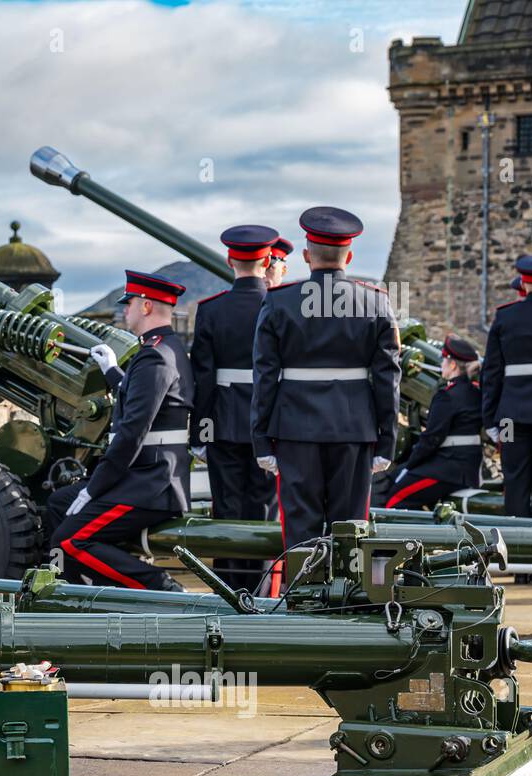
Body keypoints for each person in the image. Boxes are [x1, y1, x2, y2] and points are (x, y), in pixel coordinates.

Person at [251, 207, 400, 550]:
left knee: (300, 531)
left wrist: (261, 440)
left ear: (306, 256)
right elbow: (388, 378)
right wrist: (387, 441)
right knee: (350, 531)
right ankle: (345, 602)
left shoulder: (278, 303)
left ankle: (301, 601)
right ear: (349, 255)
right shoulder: (375, 303)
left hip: (293, 431)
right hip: (355, 431)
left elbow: (265, 377)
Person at [47, 271, 193, 592]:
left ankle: (161, 589)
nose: (123, 311)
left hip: (152, 485)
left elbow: (132, 433)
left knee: (70, 541)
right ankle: (75, 590)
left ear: (145, 306)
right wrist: (113, 372)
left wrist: (94, 487)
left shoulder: (155, 356)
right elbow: (145, 398)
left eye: (129, 305)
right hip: (146, 477)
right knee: (58, 504)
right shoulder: (162, 348)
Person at [189, 225, 279, 590]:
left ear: (230, 260)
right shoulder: (279, 304)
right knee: (263, 513)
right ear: (268, 260)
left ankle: (227, 591)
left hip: (224, 423)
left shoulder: (211, 310)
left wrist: (200, 433)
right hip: (269, 426)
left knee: (226, 510)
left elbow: (204, 379)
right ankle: (260, 593)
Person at [481, 254, 532, 521]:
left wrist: (490, 420)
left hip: (510, 420)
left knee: (514, 478)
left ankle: (512, 546)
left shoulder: (505, 318)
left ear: (523, 283)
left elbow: (491, 374)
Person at [383, 336, 482, 509]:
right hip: (466, 469)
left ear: (452, 365)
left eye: (444, 360)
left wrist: (410, 465)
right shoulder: (475, 392)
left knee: (395, 501)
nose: (442, 364)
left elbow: (431, 438)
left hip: (448, 469)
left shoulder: (447, 396)